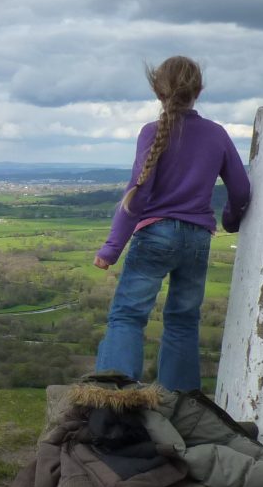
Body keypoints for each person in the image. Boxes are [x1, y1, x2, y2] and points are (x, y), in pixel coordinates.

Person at [93, 56, 252, 391]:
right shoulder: (217, 134)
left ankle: (115, 396)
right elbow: (240, 190)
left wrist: (111, 249)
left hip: (155, 235)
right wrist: (230, 219)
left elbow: (137, 196)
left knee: (128, 315)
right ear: (199, 90)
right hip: (197, 238)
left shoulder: (152, 133)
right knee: (183, 320)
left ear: (157, 89)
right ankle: (180, 401)